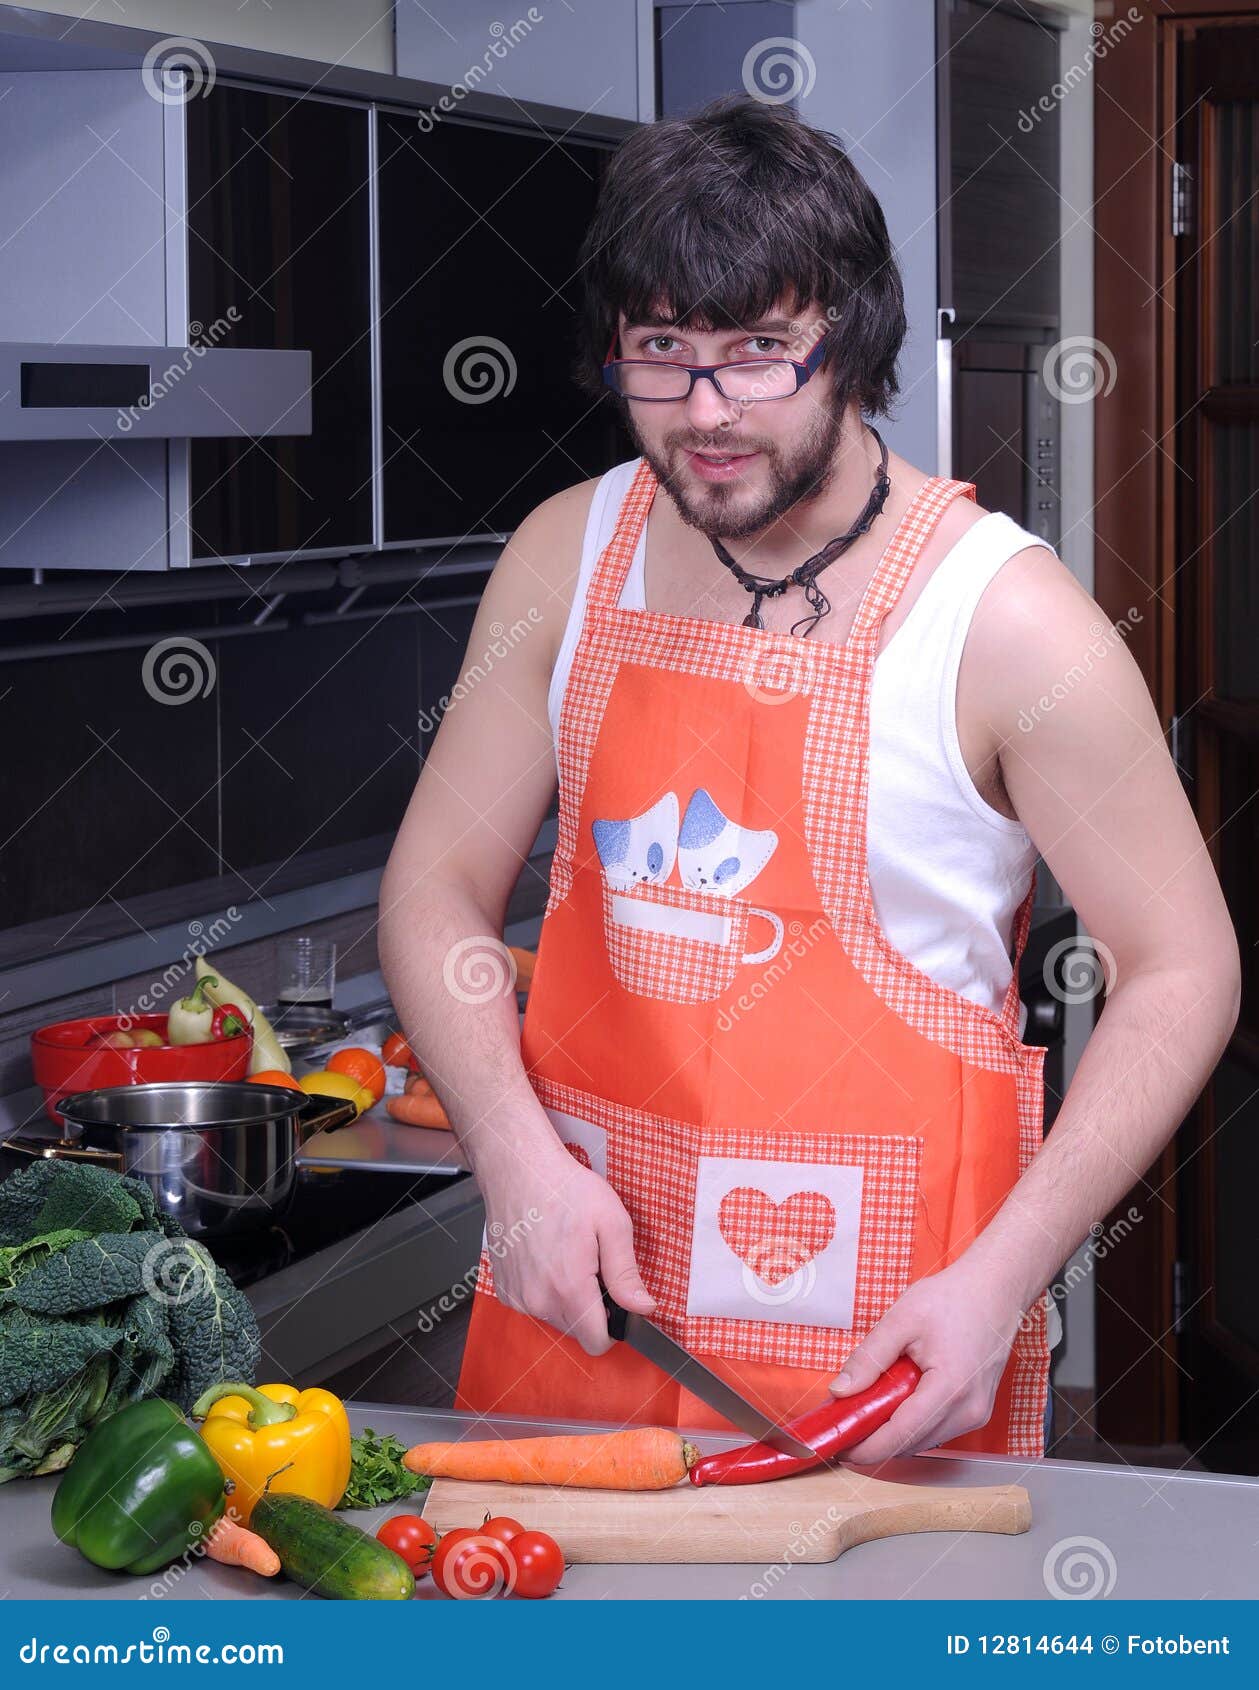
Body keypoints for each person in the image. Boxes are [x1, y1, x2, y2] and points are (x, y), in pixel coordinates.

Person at [379, 95, 1238, 1460]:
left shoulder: (1006, 622)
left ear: (855, 340)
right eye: (662, 352)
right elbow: (433, 889)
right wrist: (517, 1163)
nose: (707, 412)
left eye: (761, 353)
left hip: (890, 1364)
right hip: (583, 1334)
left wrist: (1005, 1280)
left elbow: (1184, 966)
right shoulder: (564, 557)